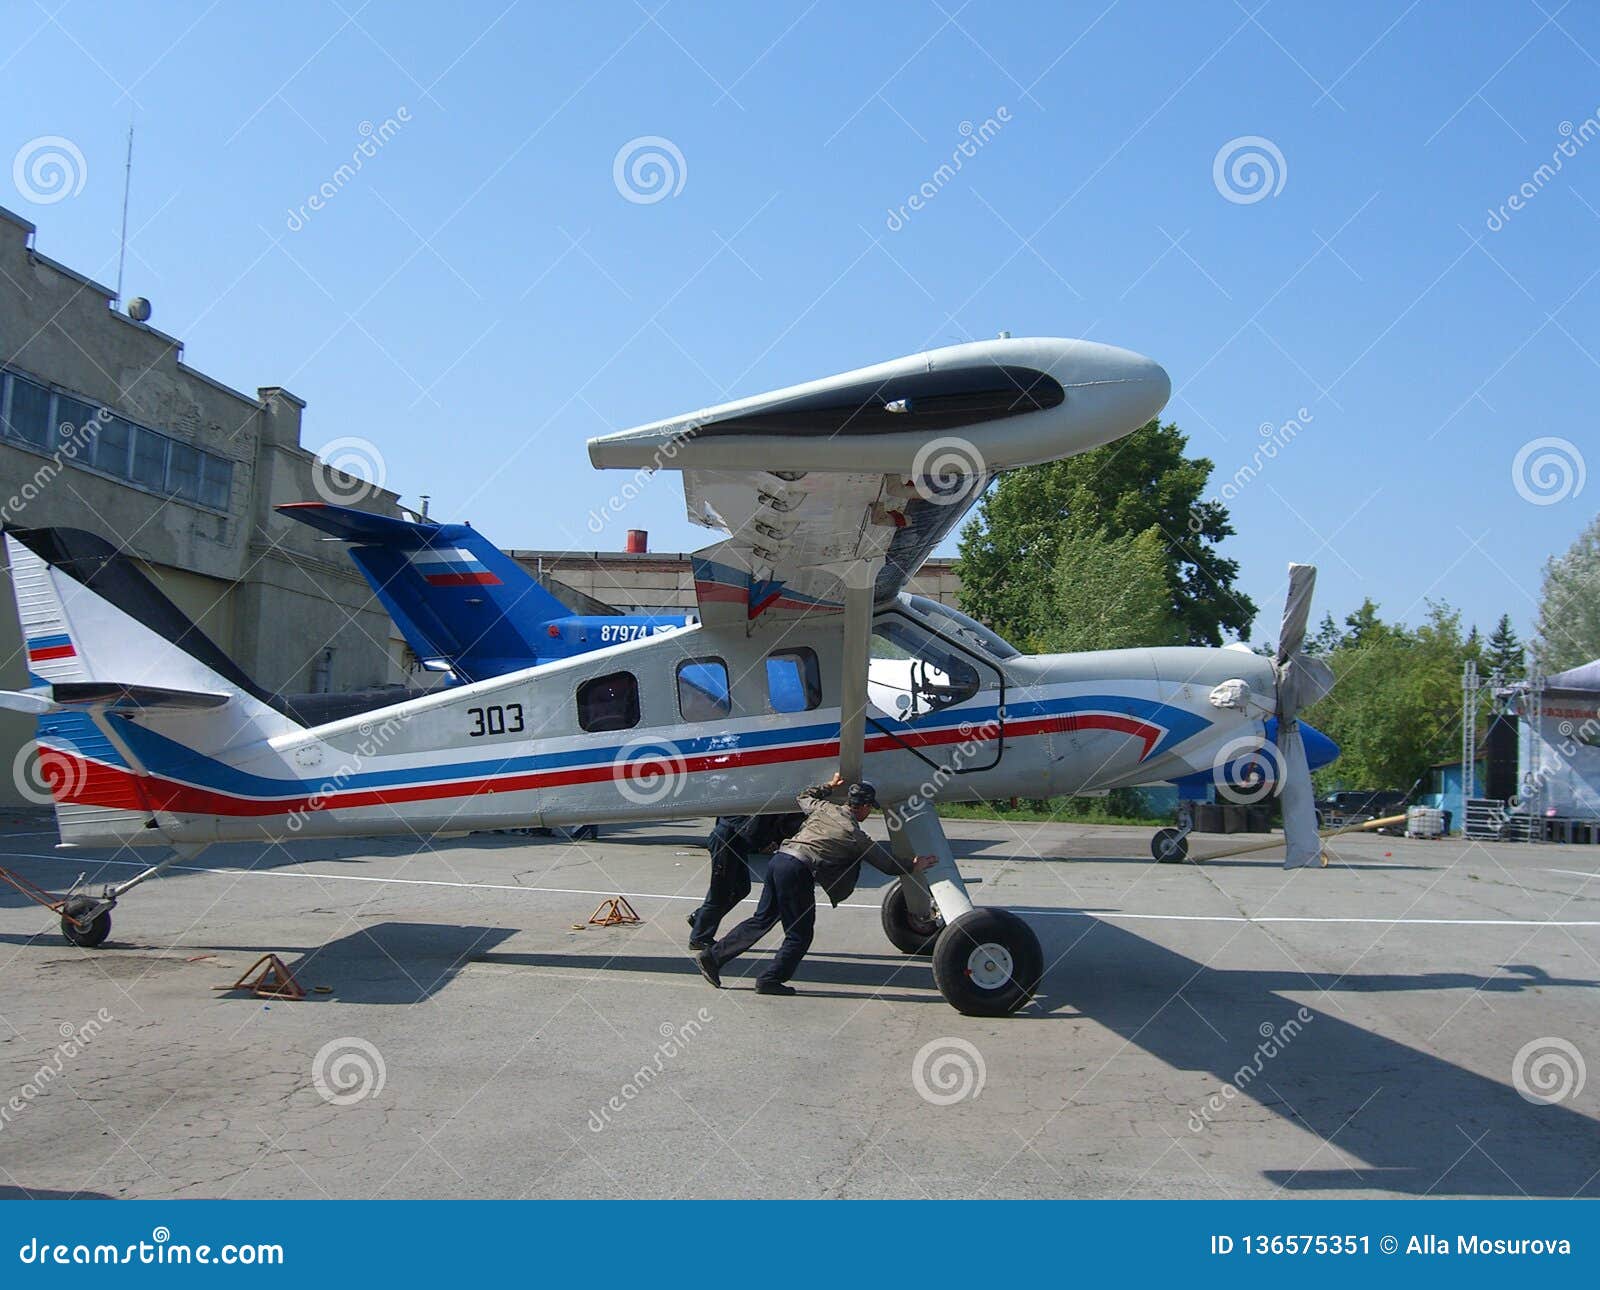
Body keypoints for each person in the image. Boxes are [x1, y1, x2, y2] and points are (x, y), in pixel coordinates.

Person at [694, 773, 938, 996]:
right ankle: (770, 980)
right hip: (798, 870)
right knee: (800, 935)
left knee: (762, 919)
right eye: (869, 809)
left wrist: (829, 786)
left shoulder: (824, 808)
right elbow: (886, 864)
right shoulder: (855, 835)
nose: (868, 813)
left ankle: (712, 958)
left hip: (779, 860)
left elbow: (804, 796)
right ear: (862, 807)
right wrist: (915, 863)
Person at [686, 812, 804, 951]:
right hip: (727, 841)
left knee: (741, 888)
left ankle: (700, 918)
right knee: (721, 892)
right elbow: (753, 826)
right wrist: (764, 844)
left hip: (735, 841)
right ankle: (699, 937)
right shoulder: (759, 800)